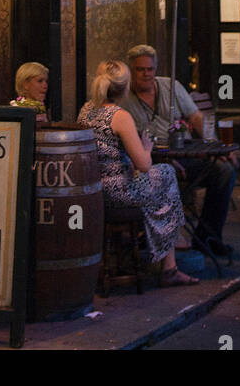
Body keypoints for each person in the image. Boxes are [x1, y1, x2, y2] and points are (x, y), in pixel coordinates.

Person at [78, 59, 197, 286]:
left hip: (93, 188)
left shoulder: (86, 110)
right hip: (117, 192)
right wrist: (147, 148)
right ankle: (168, 264)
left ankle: (153, 245)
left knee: (160, 185)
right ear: (125, 87)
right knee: (167, 174)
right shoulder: (120, 116)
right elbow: (143, 164)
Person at [123, 44, 237, 257]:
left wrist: (216, 146)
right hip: (149, 163)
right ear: (131, 70)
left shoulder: (170, 87)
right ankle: (158, 242)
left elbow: (195, 116)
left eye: (150, 69)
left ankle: (208, 237)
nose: (146, 74)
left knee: (224, 171)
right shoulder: (124, 99)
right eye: (140, 69)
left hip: (181, 155)